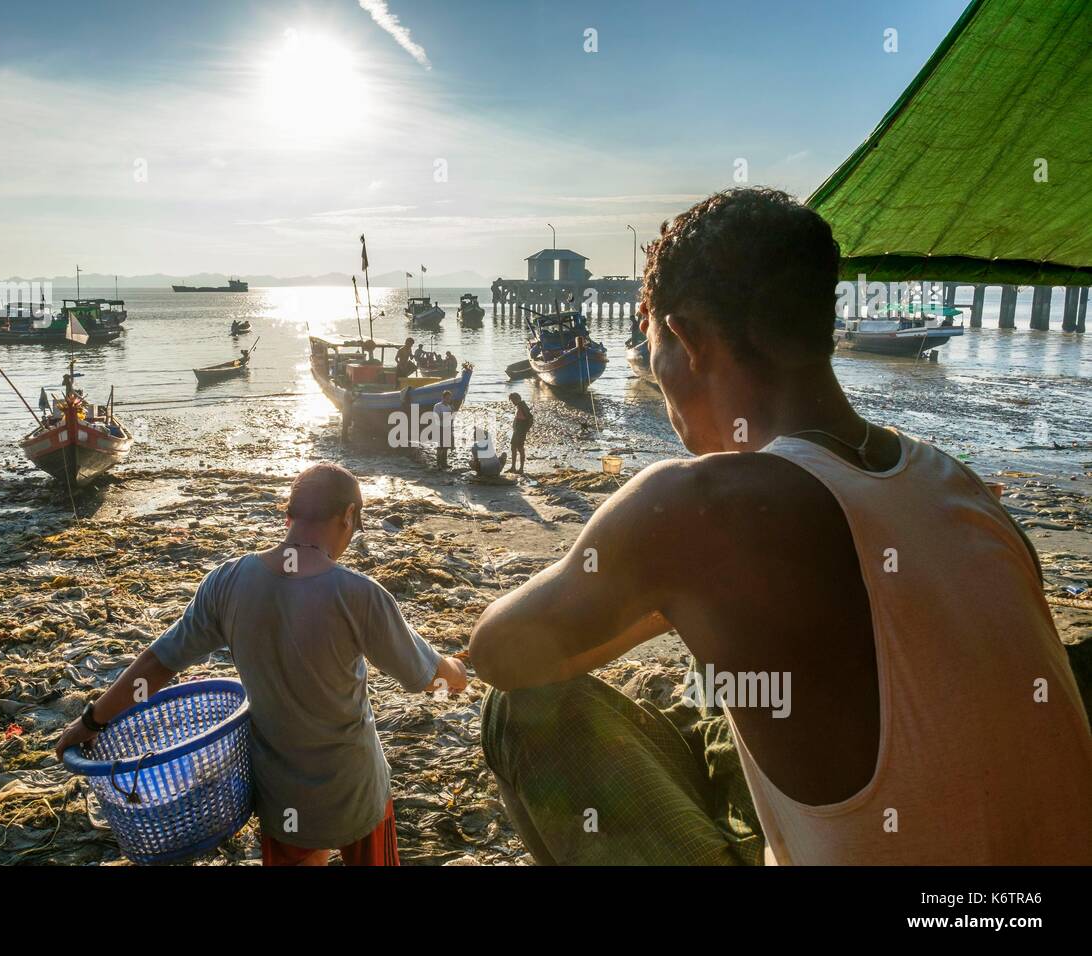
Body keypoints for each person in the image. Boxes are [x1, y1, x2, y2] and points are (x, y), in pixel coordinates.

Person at [470, 187, 1092, 866]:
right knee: (721, 697)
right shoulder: (961, 487)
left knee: (523, 714)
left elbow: (498, 652)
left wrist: (667, 590)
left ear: (686, 340)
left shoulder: (693, 504)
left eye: (655, 352)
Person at [56, 462, 467, 865]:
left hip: (282, 796)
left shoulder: (228, 581)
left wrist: (91, 721)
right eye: (355, 526)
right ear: (347, 515)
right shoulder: (360, 595)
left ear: (288, 514)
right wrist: (457, 670)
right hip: (353, 790)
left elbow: (159, 661)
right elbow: (429, 678)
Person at [508, 393, 533, 474]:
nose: (512, 402)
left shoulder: (523, 406)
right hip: (517, 430)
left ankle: (521, 468)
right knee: (513, 448)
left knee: (520, 448)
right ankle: (513, 467)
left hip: (521, 430)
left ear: (517, 399)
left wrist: (526, 429)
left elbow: (530, 418)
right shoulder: (519, 405)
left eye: (512, 400)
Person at [433, 389, 454, 470]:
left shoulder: (449, 406)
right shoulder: (437, 406)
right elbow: (436, 417)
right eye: (447, 398)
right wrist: (447, 415)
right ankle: (438, 464)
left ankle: (444, 463)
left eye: (450, 398)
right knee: (440, 447)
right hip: (439, 427)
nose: (449, 400)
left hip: (447, 427)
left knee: (446, 446)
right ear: (443, 398)